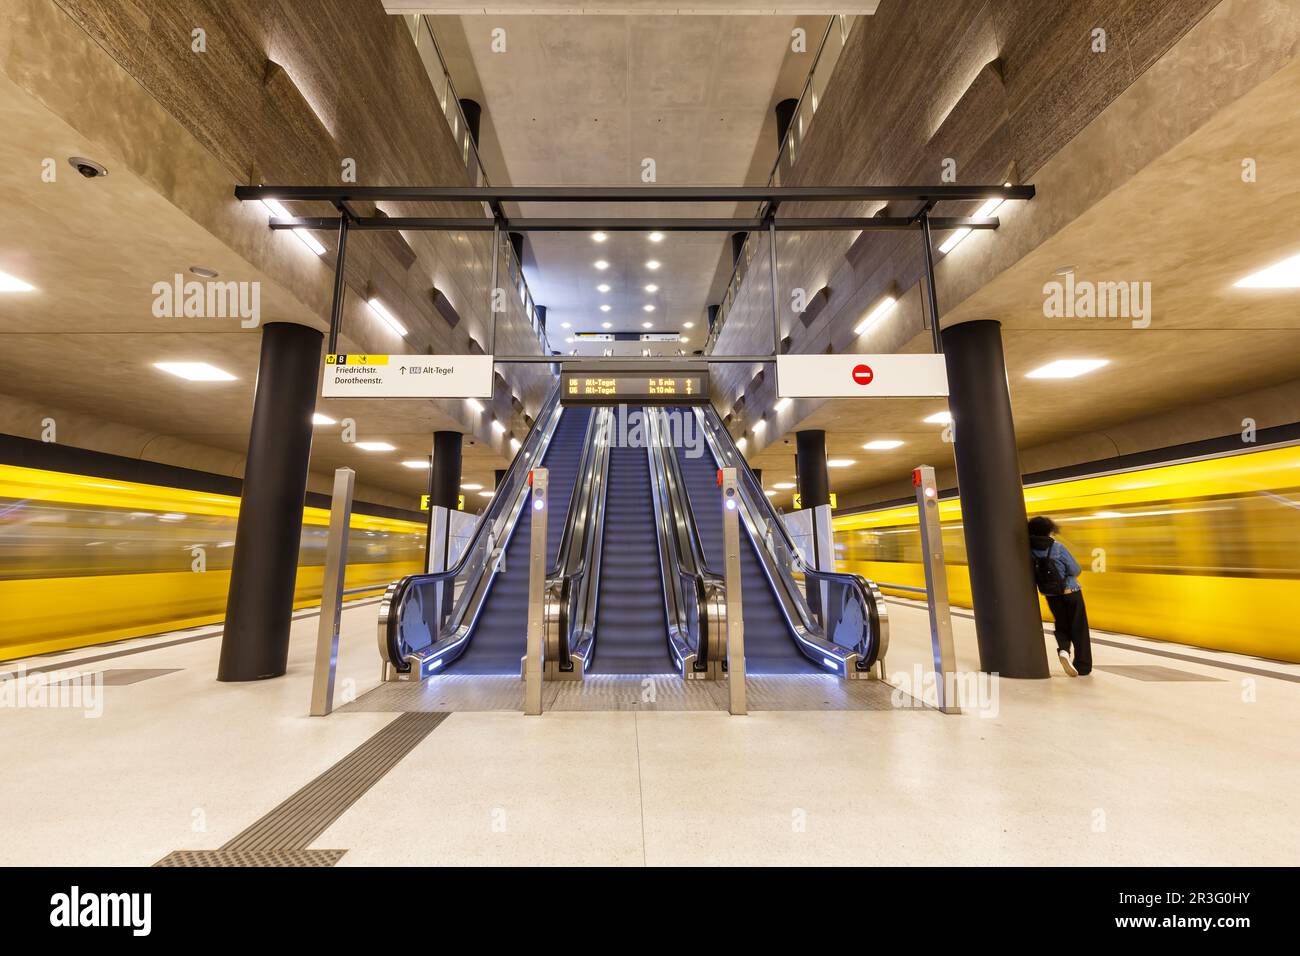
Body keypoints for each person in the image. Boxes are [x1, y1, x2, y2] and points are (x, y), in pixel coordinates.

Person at [1028, 515, 1092, 677]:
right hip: (1071, 592)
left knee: (1061, 624)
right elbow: (1075, 570)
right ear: (1049, 530)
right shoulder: (1057, 547)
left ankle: (1064, 649)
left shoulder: (1030, 550)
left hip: (1051, 595)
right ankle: (1083, 666)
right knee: (1079, 628)